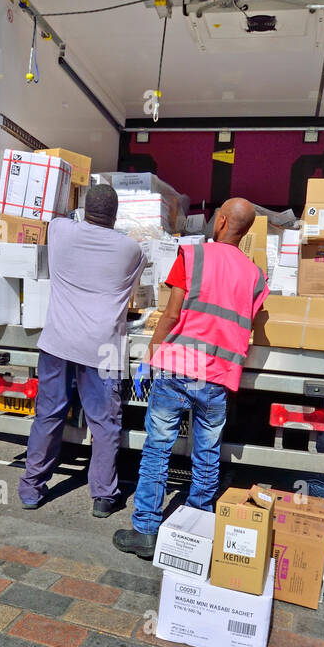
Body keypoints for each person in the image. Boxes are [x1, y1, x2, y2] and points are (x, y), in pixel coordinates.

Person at [113, 198, 268, 558]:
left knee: (158, 448)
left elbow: (170, 315)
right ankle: (195, 534)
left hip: (176, 370)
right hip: (217, 378)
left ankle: (146, 531)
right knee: (207, 454)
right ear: (244, 231)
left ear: (222, 221)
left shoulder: (193, 257)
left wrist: (148, 358)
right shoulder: (257, 276)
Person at [18, 184, 144, 517]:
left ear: (85, 209)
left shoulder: (60, 231)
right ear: (115, 216)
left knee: (48, 413)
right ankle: (103, 495)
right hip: (101, 346)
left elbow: (59, 216)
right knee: (104, 422)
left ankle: (31, 488)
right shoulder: (131, 249)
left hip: (58, 341)